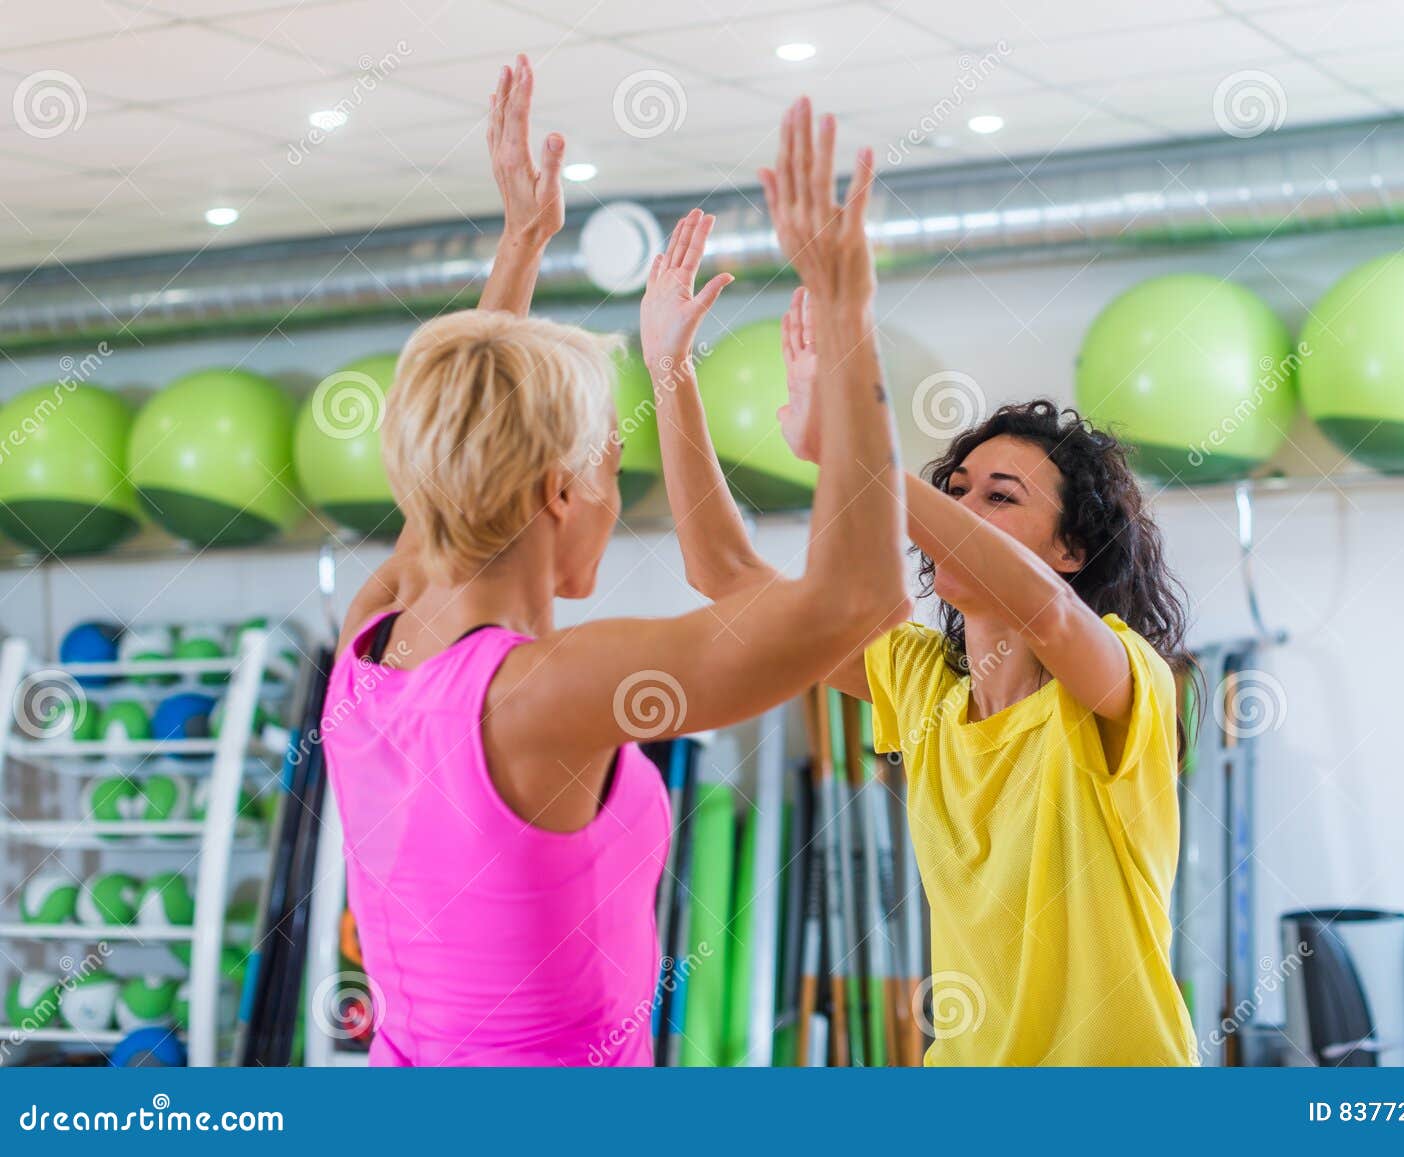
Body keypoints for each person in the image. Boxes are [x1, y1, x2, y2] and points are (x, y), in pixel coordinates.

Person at [321, 60, 908, 1066]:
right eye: (610, 464)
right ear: (556, 489)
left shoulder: (373, 639)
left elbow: (458, 429)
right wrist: (845, 315)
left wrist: (523, 240)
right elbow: (856, 599)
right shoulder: (551, 690)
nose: (615, 490)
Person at [655, 280, 1198, 1065]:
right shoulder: (921, 686)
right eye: (955, 491)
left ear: (1070, 550)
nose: (964, 510)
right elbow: (724, 575)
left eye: (1000, 497)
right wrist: (669, 368)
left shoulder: (1122, 682)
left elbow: (1044, 611)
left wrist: (847, 452)